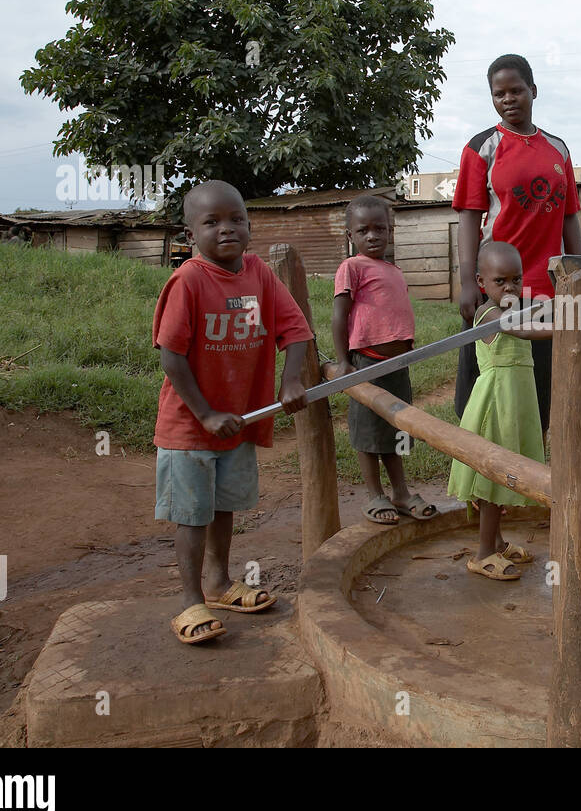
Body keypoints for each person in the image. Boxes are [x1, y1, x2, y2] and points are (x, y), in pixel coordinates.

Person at [152, 180, 313, 644]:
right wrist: (203, 414)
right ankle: (189, 601)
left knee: (223, 507)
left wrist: (291, 379)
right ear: (190, 233)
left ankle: (219, 583)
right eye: (212, 222)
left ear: (249, 225)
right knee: (192, 513)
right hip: (191, 426)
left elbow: (295, 330)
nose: (227, 229)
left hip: (239, 421)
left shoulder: (259, 273)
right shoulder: (189, 280)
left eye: (236, 220)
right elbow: (172, 356)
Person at [452, 53, 581, 435]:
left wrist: (576, 274)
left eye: (516, 90)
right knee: (484, 388)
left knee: (539, 388)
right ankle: (479, 477)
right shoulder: (483, 148)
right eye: (499, 94)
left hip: (545, 289)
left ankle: (530, 473)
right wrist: (466, 283)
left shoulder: (558, 150)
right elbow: (468, 217)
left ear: (533, 91)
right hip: (496, 289)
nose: (508, 99)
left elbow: (570, 216)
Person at [329, 195, 438, 524]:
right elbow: (339, 315)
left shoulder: (394, 270)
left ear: (391, 231)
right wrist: (343, 361)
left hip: (397, 366)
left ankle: (402, 492)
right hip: (368, 363)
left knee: (399, 429)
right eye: (363, 230)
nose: (372, 236)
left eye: (380, 228)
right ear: (351, 236)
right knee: (369, 432)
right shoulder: (351, 267)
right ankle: (375, 494)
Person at [448, 241, 553, 580]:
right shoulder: (487, 314)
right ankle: (482, 554)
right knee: (493, 479)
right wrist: (564, 328)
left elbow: (531, 315)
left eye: (515, 279)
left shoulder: (516, 307)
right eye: (500, 281)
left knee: (503, 475)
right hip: (497, 403)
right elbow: (519, 329)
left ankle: (498, 543)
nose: (509, 287)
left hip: (516, 403)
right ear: (481, 283)